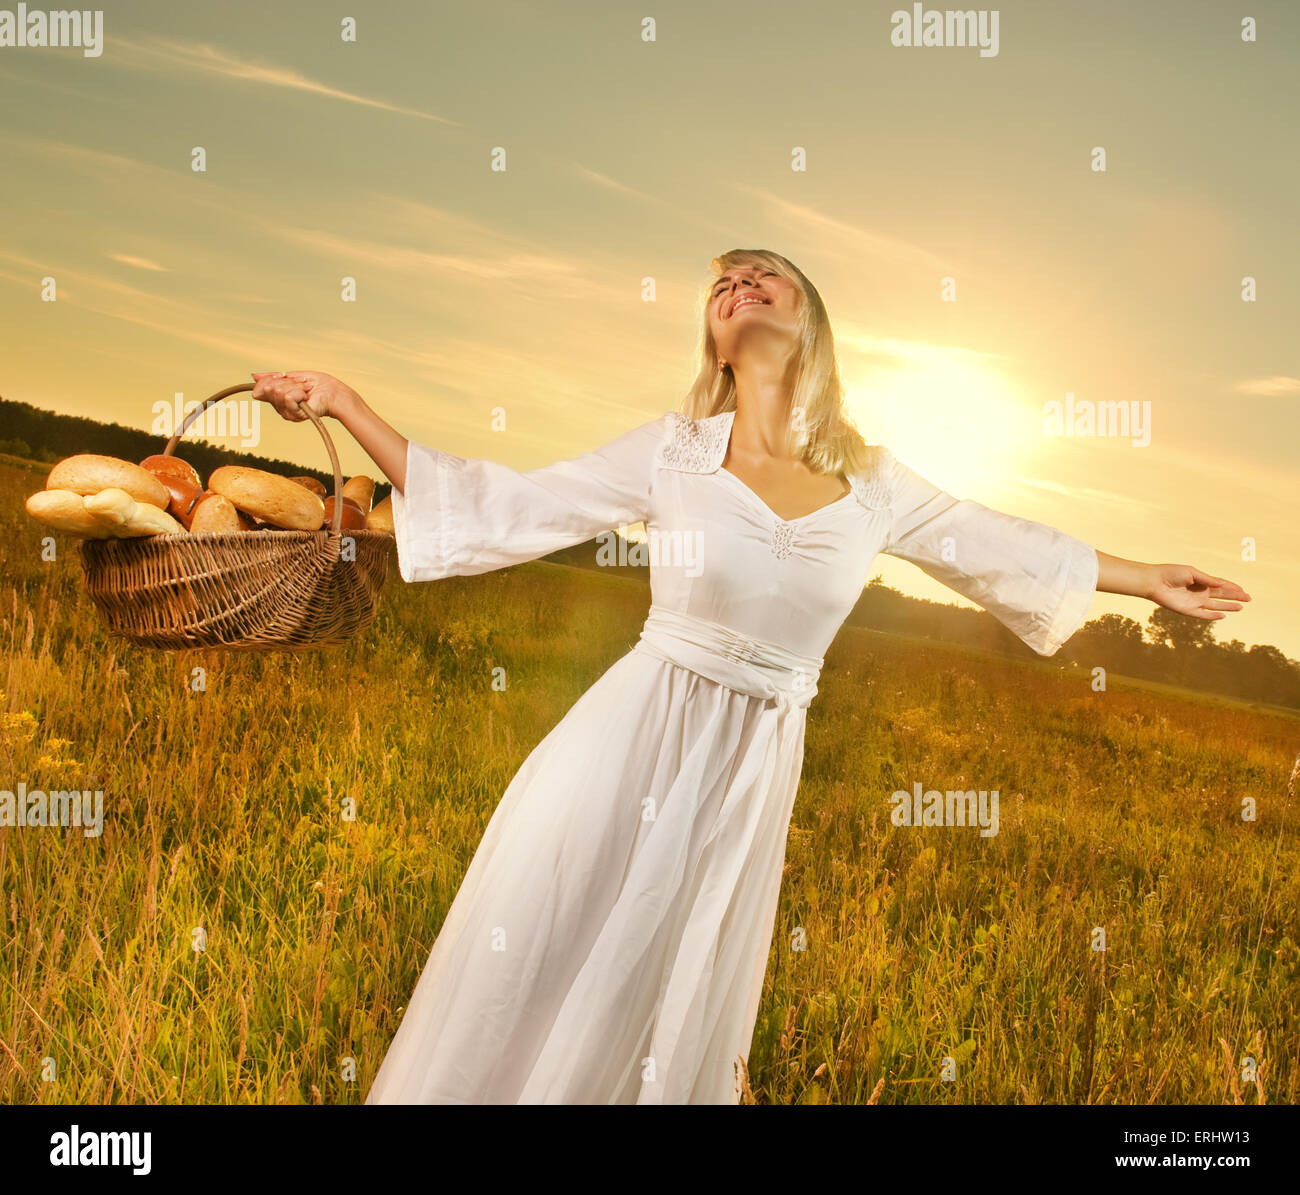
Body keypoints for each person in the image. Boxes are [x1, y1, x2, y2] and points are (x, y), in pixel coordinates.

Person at [251, 249, 1250, 1104]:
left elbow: (998, 545)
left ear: (810, 324)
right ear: (714, 341)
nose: (740, 282)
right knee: (545, 967)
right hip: (624, 746)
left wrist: (1146, 580)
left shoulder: (876, 483)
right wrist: (345, 405)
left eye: (764, 274)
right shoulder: (671, 453)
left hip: (746, 778)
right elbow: (501, 507)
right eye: (724, 282)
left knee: (668, 991)